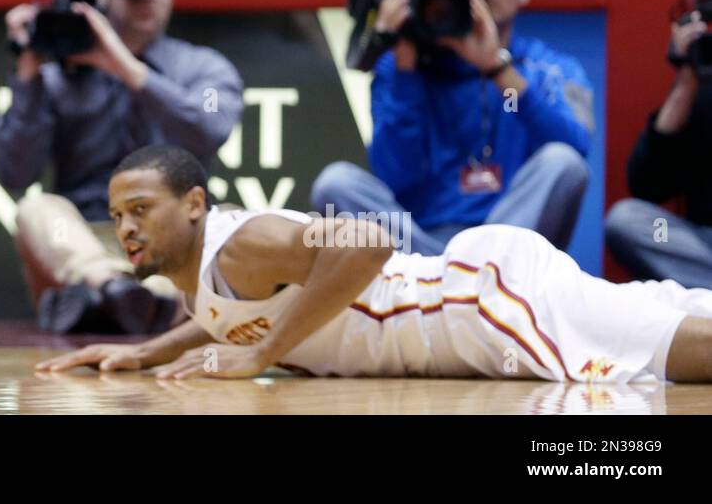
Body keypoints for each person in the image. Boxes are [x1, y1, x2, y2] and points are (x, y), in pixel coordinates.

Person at [37, 144, 712, 383]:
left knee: (680, 358)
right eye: (117, 213)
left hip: (482, 305)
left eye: (140, 209)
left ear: (192, 204)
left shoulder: (241, 243)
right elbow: (227, 320)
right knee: (682, 317)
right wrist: (143, 352)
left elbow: (368, 241)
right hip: (478, 303)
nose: (125, 226)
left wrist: (266, 352)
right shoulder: (206, 282)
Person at [0, 0, 243, 333]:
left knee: (228, 220)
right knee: (34, 210)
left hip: (172, 246)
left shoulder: (202, 68)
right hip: (85, 245)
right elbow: (15, 174)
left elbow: (209, 128)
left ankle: (128, 300)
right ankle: (117, 290)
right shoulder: (58, 74)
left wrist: (127, 69)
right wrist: (28, 73)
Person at [312, 0, 594, 255]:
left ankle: (469, 273)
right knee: (335, 184)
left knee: (562, 161)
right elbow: (394, 177)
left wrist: (496, 68)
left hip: (507, 246)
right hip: (418, 247)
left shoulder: (551, 67)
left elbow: (576, 150)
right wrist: (406, 68)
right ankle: (451, 277)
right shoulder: (403, 65)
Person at [605, 2, 712, 288]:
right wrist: (686, 81)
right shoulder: (702, 89)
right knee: (627, 221)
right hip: (703, 248)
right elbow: (646, 185)